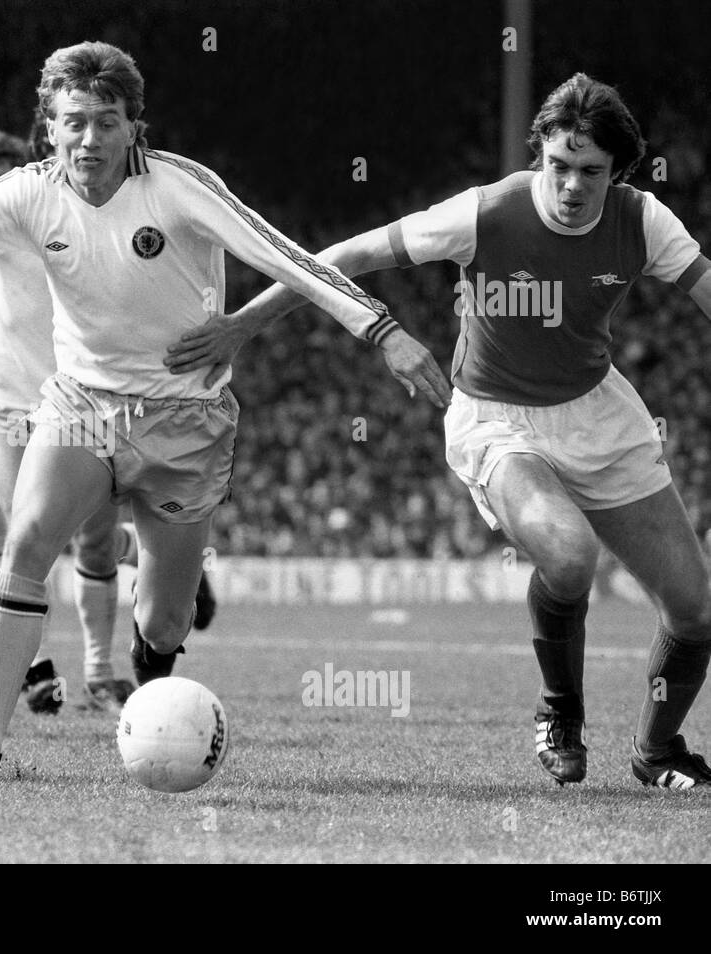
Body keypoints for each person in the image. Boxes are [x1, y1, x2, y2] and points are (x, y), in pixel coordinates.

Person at [0, 41, 430, 778]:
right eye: (74, 122)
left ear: (133, 127)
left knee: (164, 619)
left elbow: (284, 255)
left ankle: (152, 657)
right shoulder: (29, 192)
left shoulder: (180, 187)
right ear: (48, 126)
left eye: (107, 122)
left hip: (188, 422)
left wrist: (382, 329)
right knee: (25, 542)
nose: (90, 139)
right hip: (82, 406)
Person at [169, 73, 711, 790]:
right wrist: (246, 325)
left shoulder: (642, 220)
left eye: (591, 171)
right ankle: (560, 713)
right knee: (569, 553)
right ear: (538, 153)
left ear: (618, 172)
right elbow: (343, 256)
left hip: (599, 413)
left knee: (696, 611)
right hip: (496, 419)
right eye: (558, 164)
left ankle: (658, 751)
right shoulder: (485, 214)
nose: (572, 184)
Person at [0, 127, 166, 714]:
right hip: (6, 401)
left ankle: (105, 661)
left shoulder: (64, 217)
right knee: (18, 526)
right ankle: (40, 671)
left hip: (83, 400)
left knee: (92, 543)